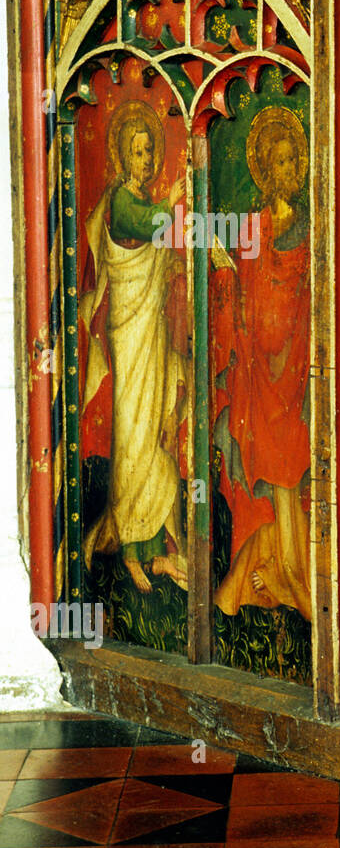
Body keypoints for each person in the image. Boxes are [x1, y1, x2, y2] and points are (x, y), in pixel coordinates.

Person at [80, 99, 189, 594]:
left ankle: (169, 548)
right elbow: (156, 225)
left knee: (158, 434)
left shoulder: (141, 202)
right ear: (123, 159)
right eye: (138, 153)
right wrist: (180, 196)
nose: (146, 161)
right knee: (134, 438)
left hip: (152, 330)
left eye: (150, 152)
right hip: (130, 335)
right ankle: (130, 550)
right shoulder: (123, 203)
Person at [213, 106, 312, 621]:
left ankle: (291, 574)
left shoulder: (313, 229)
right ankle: (261, 576)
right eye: (275, 161)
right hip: (257, 373)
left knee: (291, 468)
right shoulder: (252, 226)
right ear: (263, 169)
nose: (285, 169)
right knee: (261, 465)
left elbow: (315, 294)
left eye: (292, 159)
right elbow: (243, 299)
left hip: (296, 371)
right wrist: (223, 273)